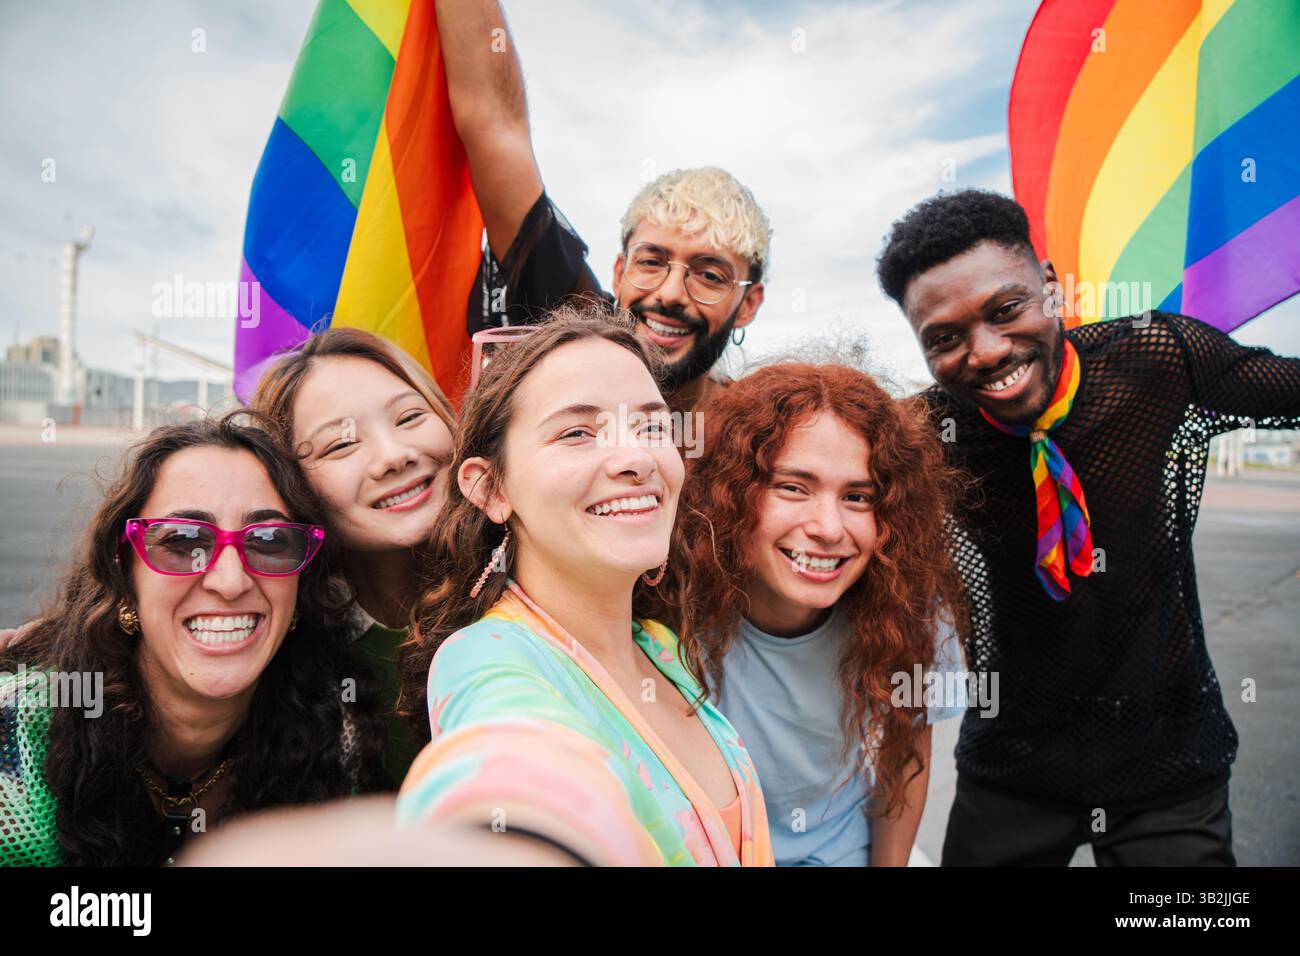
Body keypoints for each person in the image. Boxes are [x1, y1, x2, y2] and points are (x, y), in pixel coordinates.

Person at [876, 188, 1300, 865]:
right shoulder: (928, 435)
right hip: (1012, 769)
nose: (984, 352)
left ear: (1049, 286)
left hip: (1169, 764)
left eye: (1006, 309)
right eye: (946, 339)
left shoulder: (1158, 360)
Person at [396, 305, 773, 866]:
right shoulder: (484, 660)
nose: (636, 458)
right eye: (576, 432)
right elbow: (508, 778)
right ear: (490, 488)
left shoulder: (661, 645)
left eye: (651, 425)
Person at [0, 415, 388, 866]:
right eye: (183, 542)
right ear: (123, 575)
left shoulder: (337, 744)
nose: (230, 581)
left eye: (268, 540)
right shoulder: (17, 748)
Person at [654, 361, 968, 866]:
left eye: (858, 497)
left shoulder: (912, 604)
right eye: (792, 487)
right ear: (729, 493)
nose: (827, 527)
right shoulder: (670, 602)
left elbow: (905, 759)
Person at [436, 0, 770, 413]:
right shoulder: (574, 324)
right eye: (650, 262)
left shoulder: (767, 438)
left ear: (749, 304)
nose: (669, 294)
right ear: (620, 270)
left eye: (709, 274)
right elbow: (495, 124)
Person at [249, 327, 458, 786]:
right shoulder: (268, 647)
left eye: (409, 418)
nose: (393, 456)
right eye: (341, 444)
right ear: (292, 487)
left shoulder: (532, 596)